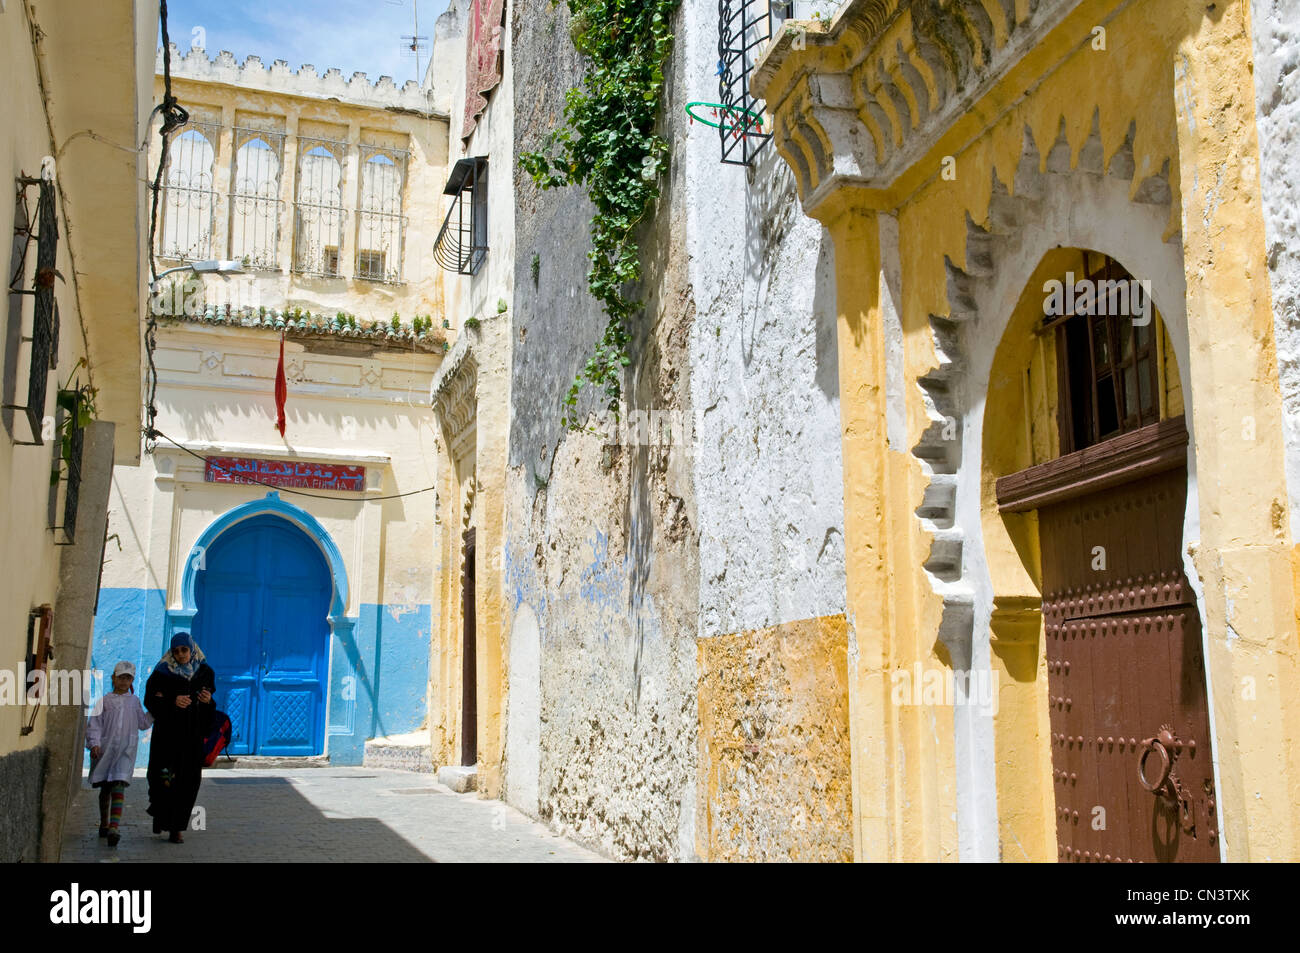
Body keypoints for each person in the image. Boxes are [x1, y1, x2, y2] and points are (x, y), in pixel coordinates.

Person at [144, 632, 216, 844]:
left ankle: (176, 828)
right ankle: (161, 819)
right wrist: (172, 701)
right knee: (162, 779)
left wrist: (207, 701)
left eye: (184, 650)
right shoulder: (161, 673)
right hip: (167, 738)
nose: (181, 654)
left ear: (192, 649)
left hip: (191, 738)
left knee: (188, 783)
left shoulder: (205, 672)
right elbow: (150, 700)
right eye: (176, 651)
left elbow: (210, 705)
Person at [85, 661, 153, 848]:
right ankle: (104, 823)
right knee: (105, 788)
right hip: (105, 751)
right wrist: (94, 744)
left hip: (125, 751)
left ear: (132, 681)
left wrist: (155, 711)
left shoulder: (134, 702)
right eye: (120, 677)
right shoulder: (104, 701)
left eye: (128, 678)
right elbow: (94, 724)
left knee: (119, 785)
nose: (124, 681)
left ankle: (114, 827)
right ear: (113, 679)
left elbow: (143, 723)